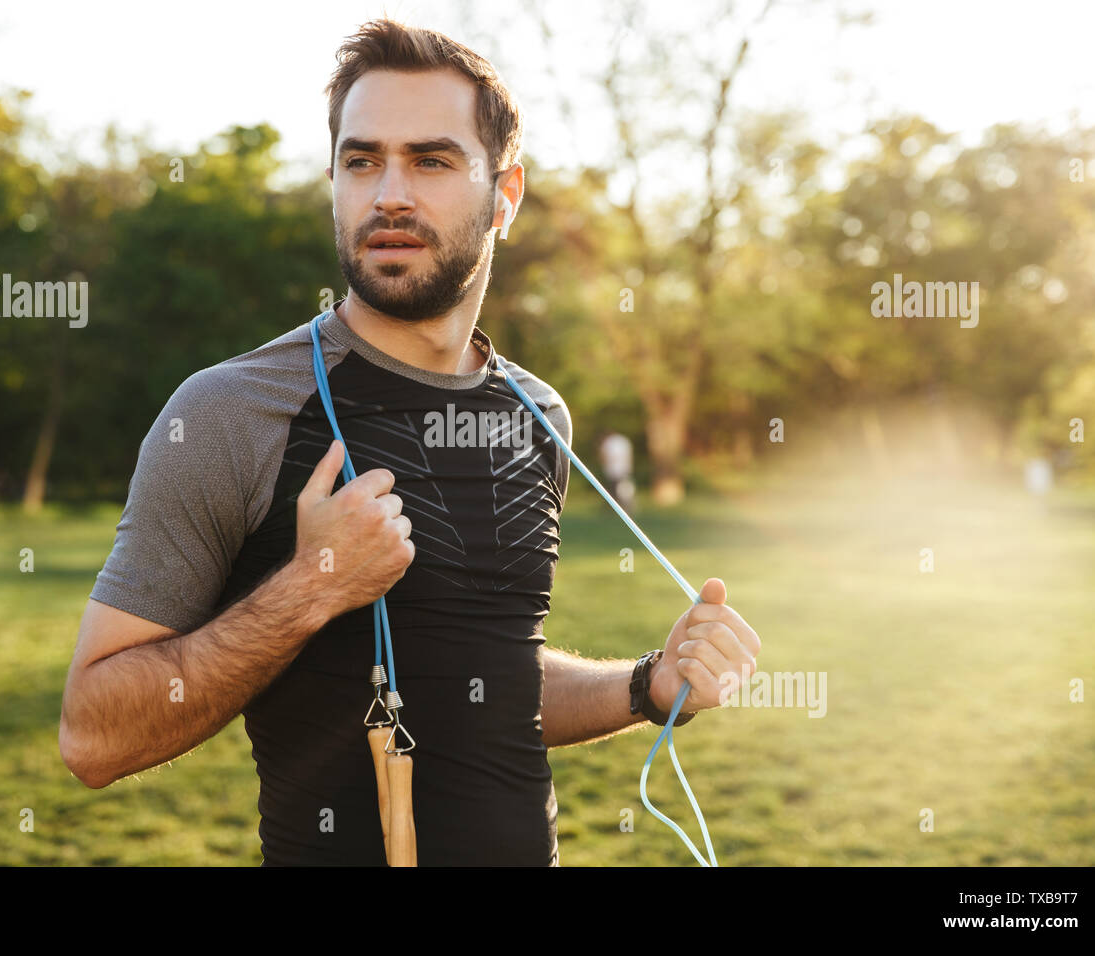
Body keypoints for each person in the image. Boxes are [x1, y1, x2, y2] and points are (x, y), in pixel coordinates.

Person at [59, 18, 761, 866]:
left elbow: (492, 681)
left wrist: (647, 686)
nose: (390, 192)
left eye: (431, 160)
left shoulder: (538, 415)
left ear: (505, 195)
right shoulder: (231, 413)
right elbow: (92, 737)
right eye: (362, 161)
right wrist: (311, 590)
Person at [599, 431, 636, 514]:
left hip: (613, 470)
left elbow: (604, 456)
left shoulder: (608, 443)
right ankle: (620, 507)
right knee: (622, 490)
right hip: (624, 469)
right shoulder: (624, 441)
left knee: (617, 491)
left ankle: (617, 507)